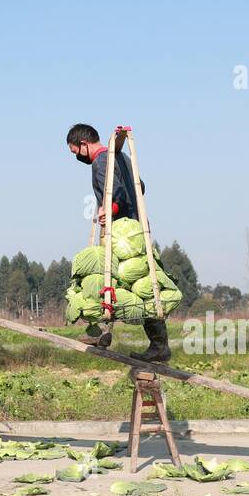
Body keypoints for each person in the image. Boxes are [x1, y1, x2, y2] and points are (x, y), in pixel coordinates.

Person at [66, 123, 171, 362]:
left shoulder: (101, 162)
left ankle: (100, 332)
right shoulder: (120, 157)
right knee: (135, 284)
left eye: (75, 152)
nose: (77, 158)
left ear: (84, 144)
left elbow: (118, 193)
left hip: (121, 231)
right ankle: (152, 342)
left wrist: (110, 209)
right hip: (137, 228)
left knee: (102, 275)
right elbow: (139, 187)